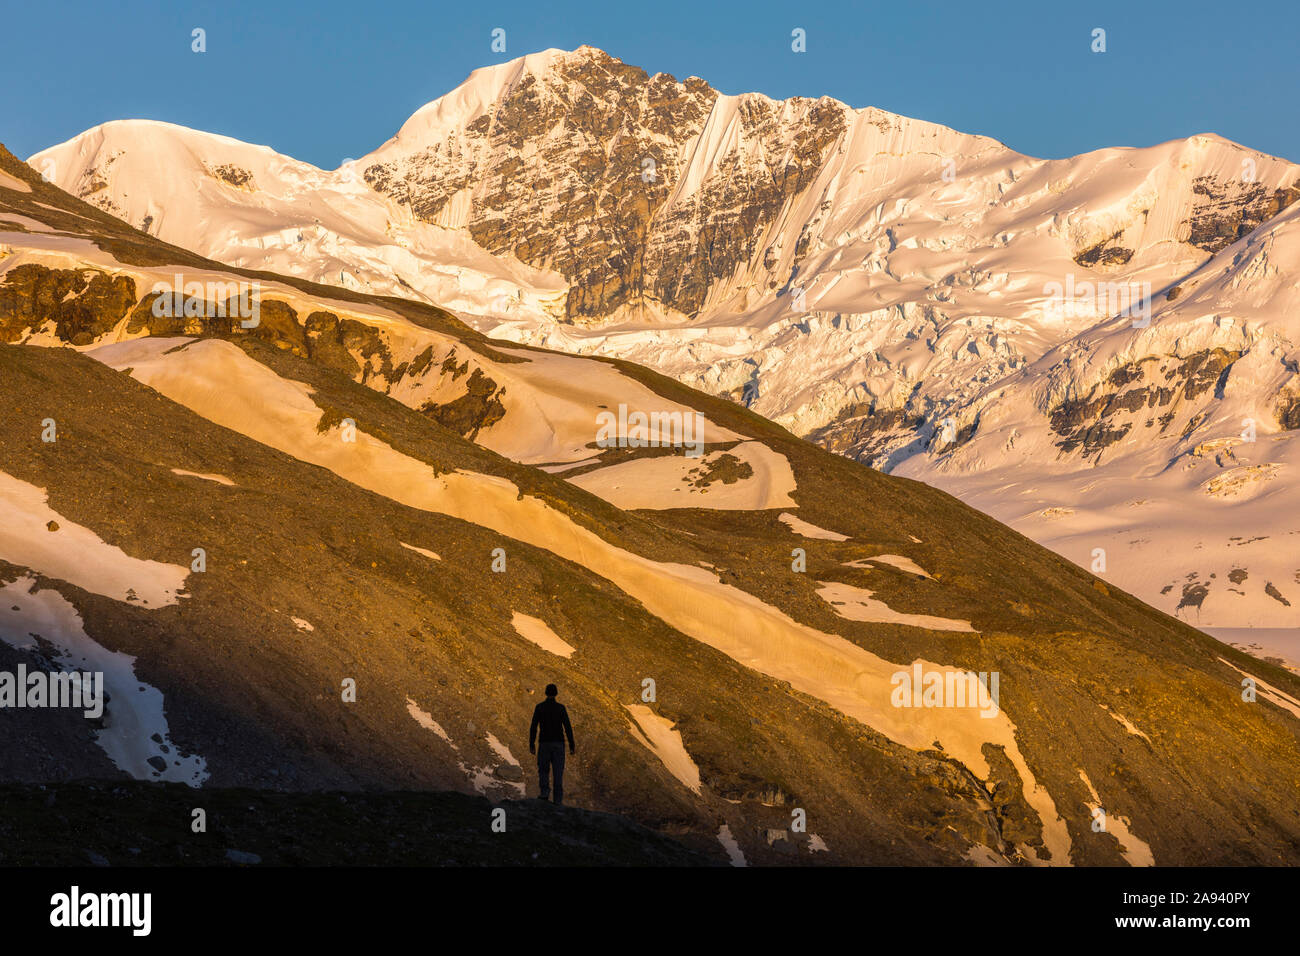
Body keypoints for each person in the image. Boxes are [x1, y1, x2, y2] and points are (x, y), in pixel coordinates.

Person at [529, 684, 575, 804]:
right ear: (556, 693)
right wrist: (571, 744)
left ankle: (544, 793)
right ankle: (557, 800)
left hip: (544, 742)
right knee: (558, 771)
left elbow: (533, 727)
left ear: (546, 693)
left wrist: (532, 744)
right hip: (559, 743)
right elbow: (568, 727)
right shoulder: (561, 708)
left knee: (543, 769)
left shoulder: (540, 707)